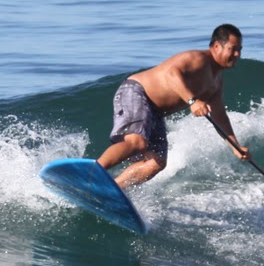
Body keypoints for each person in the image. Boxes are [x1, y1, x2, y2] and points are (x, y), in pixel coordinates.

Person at [97, 24, 251, 188]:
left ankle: (112, 189)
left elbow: (219, 116)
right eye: (233, 49)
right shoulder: (198, 59)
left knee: (156, 162)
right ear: (216, 46)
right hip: (137, 92)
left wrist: (235, 146)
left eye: (239, 50)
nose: (237, 54)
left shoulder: (216, 82)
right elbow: (171, 73)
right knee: (137, 142)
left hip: (155, 112)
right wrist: (192, 101)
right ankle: (93, 172)